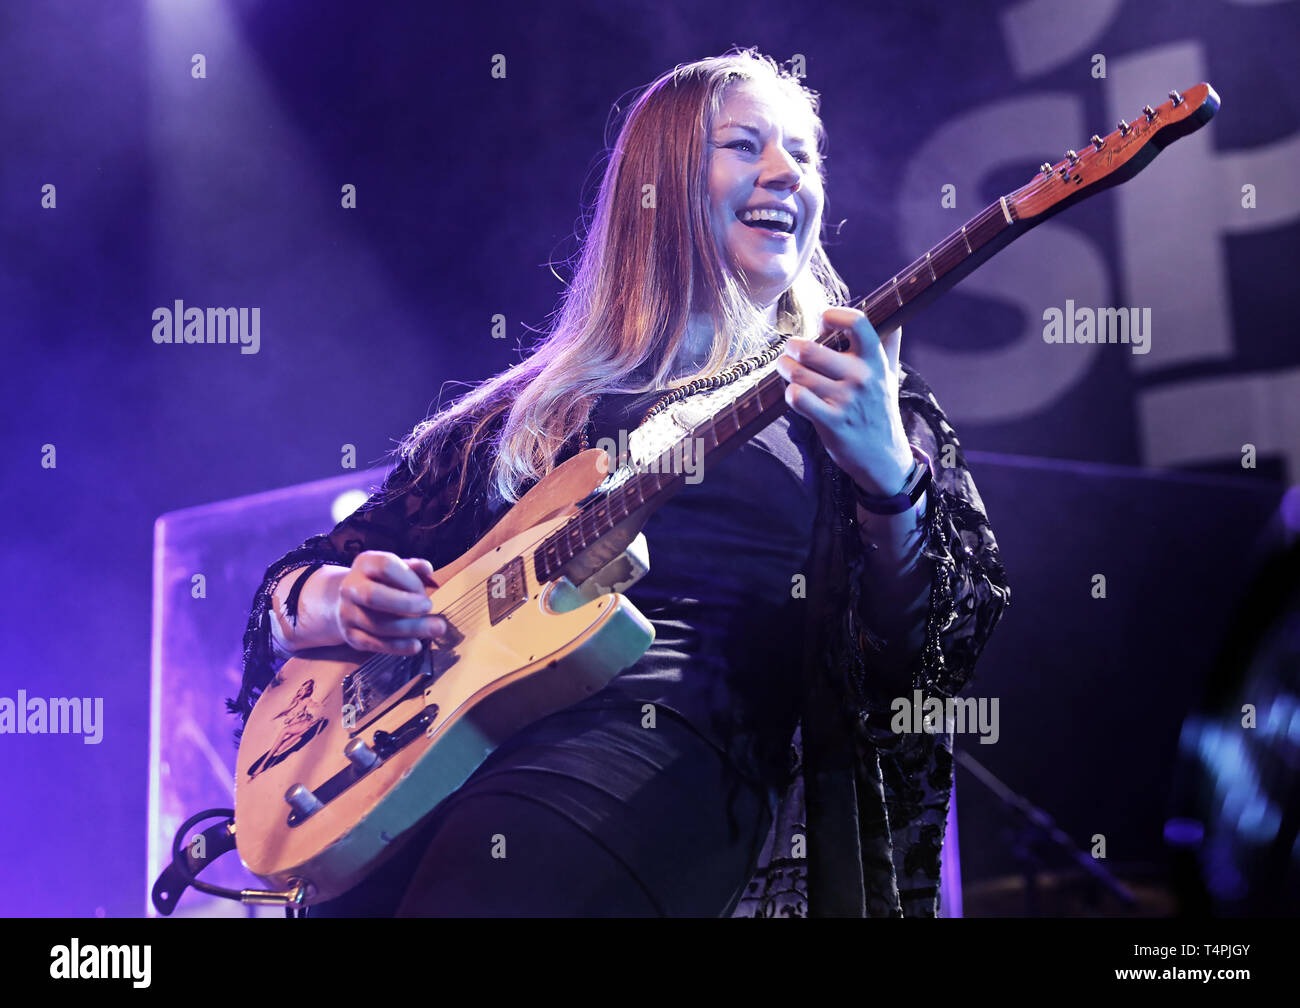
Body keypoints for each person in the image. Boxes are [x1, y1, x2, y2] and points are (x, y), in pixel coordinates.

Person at [227, 48, 1010, 917]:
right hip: (421, 768)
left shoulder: (853, 393)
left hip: (653, 753)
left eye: (806, 154)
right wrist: (341, 598)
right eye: (745, 146)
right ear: (662, 181)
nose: (787, 173)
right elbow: (302, 575)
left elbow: (926, 653)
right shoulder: (519, 417)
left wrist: (887, 478)